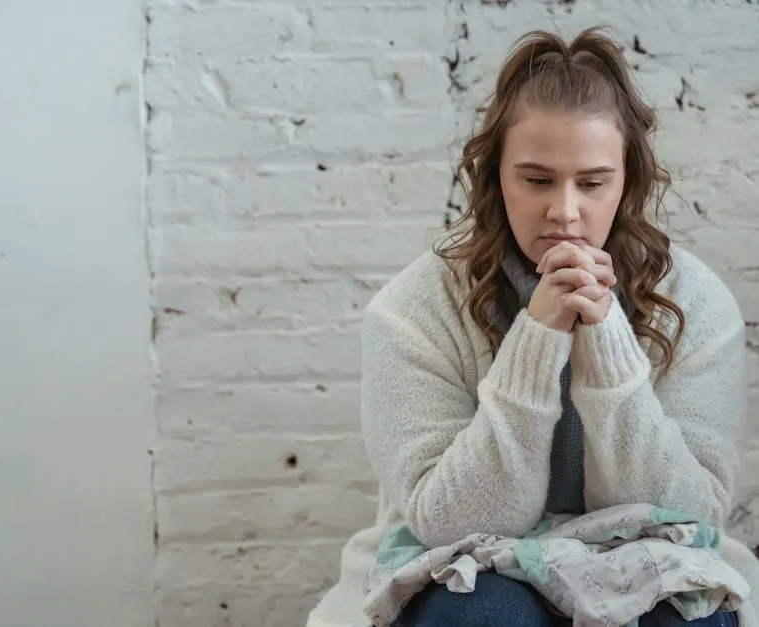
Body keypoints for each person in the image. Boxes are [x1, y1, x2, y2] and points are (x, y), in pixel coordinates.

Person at [306, 26, 759, 627]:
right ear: (497, 176)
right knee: (482, 613)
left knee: (682, 618)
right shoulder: (413, 309)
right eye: (537, 180)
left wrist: (610, 346)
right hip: (467, 560)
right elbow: (450, 521)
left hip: (647, 559)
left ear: (628, 181)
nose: (565, 212)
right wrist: (537, 339)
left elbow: (691, 517)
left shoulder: (696, 302)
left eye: (593, 182)